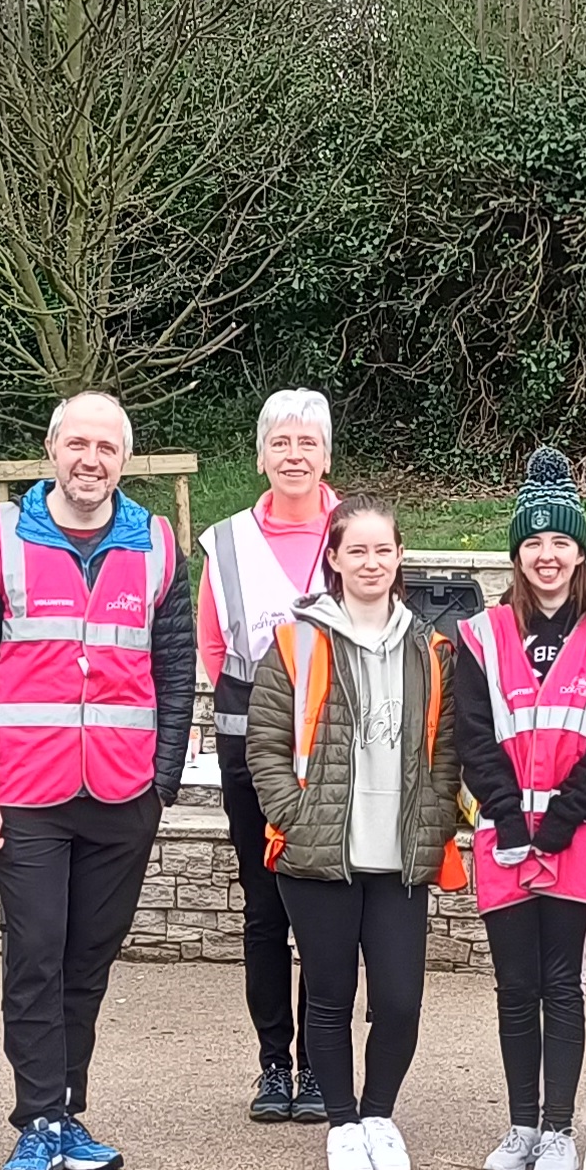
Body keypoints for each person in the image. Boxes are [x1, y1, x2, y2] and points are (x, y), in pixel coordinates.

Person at [0, 391, 195, 1170]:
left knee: (88, 958)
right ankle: (36, 1119)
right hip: (26, 792)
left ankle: (66, 1109)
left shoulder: (157, 543)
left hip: (122, 792)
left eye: (106, 447)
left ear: (124, 459)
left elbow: (176, 666)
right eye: (77, 443)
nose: (91, 459)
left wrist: (161, 782)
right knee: (37, 953)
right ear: (52, 450)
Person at [244, 495, 463, 1170]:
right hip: (319, 854)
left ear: (399, 557)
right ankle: (341, 1121)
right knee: (329, 997)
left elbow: (447, 751)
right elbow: (264, 745)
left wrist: (436, 821)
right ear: (333, 559)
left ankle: (378, 1114)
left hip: (399, 855)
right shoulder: (296, 643)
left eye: (382, 550)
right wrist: (296, 815)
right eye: (356, 550)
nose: (371, 562)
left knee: (399, 1001)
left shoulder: (432, 649)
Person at [454, 447, 586, 1170]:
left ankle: (560, 1128)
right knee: (514, 985)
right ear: (516, 553)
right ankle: (521, 1125)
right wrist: (508, 818)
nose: (546, 555)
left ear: (580, 551)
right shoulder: (480, 634)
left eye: (561, 540)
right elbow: (473, 738)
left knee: (562, 983)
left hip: (578, 832)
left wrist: (559, 820)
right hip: (504, 834)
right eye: (532, 541)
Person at [201, 389, 339, 1123]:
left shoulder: (355, 531)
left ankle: (319, 1065)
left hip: (336, 750)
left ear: (326, 455)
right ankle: (273, 1065)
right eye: (280, 443)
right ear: (260, 456)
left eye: (306, 442)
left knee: (325, 909)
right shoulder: (226, 541)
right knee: (264, 907)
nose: (293, 455)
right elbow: (213, 646)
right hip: (250, 745)